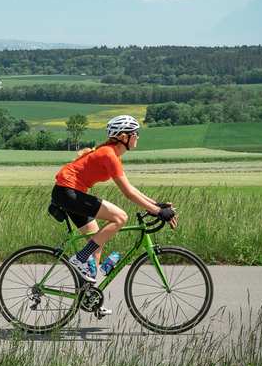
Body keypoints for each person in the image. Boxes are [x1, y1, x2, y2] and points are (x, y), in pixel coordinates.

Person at [52, 115, 177, 313]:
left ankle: (89, 297)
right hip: (68, 192)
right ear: (123, 136)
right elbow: (128, 193)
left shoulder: (113, 155)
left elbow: (132, 189)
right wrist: (158, 212)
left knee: (97, 241)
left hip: (69, 193)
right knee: (120, 217)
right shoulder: (109, 155)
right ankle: (79, 258)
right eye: (135, 133)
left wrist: (155, 205)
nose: (138, 137)